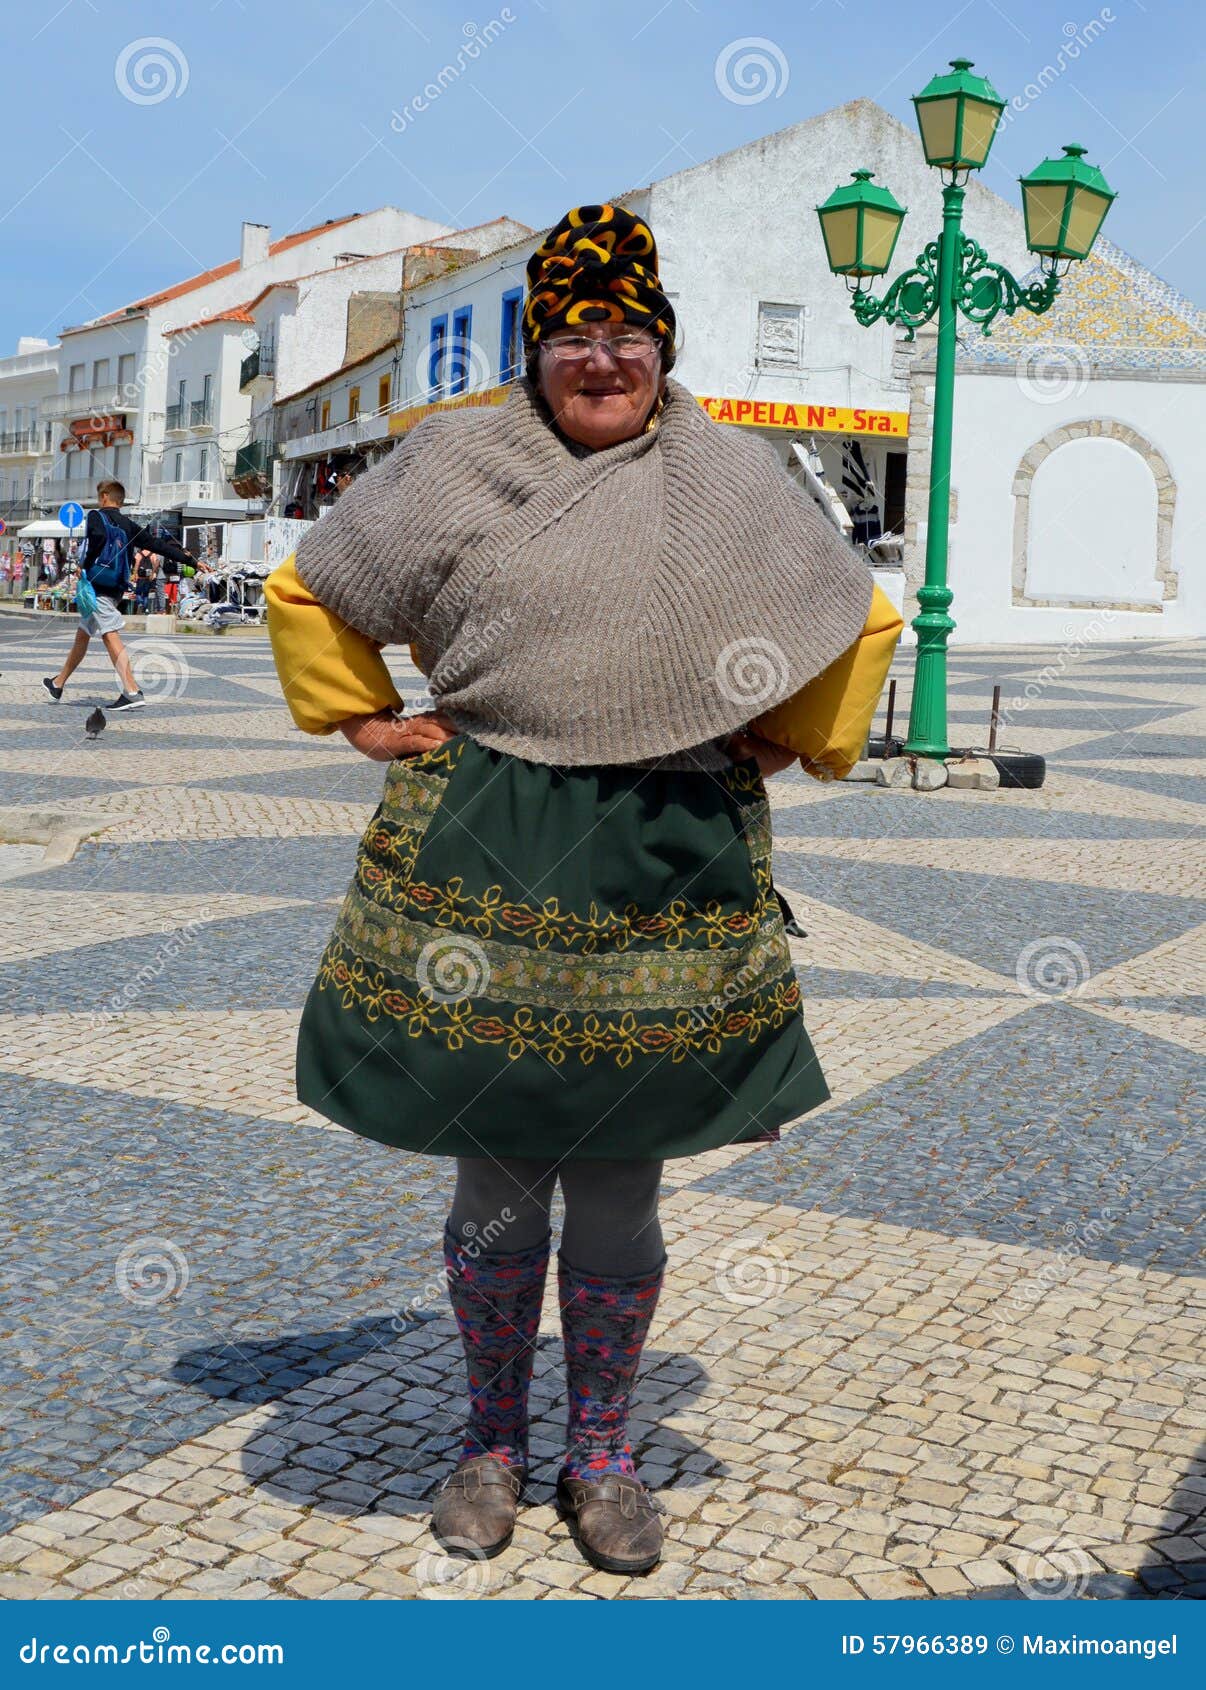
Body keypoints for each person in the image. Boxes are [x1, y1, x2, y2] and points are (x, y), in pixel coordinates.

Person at [266, 204, 896, 1577]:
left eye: (624, 333)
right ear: (535, 346)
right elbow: (313, 589)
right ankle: (490, 1440)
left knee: (619, 1173)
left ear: (659, 344)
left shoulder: (725, 473)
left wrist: (783, 730)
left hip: (664, 842)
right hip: (486, 836)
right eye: (572, 334)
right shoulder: (453, 460)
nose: (599, 358)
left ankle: (600, 1457)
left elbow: (854, 609)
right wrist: (362, 717)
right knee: (496, 1162)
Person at [42, 479, 196, 712]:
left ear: (105, 496)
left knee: (110, 635)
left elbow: (96, 540)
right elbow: (157, 545)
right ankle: (58, 683)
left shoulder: (96, 516)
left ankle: (132, 691)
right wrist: (191, 560)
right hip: (115, 586)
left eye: (99, 495)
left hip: (98, 586)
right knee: (83, 635)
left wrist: (85, 564)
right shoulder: (128, 525)